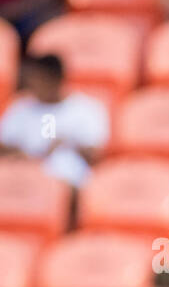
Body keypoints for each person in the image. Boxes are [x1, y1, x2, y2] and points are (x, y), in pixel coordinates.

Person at [0, 53, 108, 187]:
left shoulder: (87, 108)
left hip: (68, 179)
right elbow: (3, 145)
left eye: (40, 79)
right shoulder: (19, 106)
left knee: (62, 165)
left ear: (56, 79)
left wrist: (66, 143)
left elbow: (95, 154)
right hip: (22, 177)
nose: (33, 84)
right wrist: (25, 155)